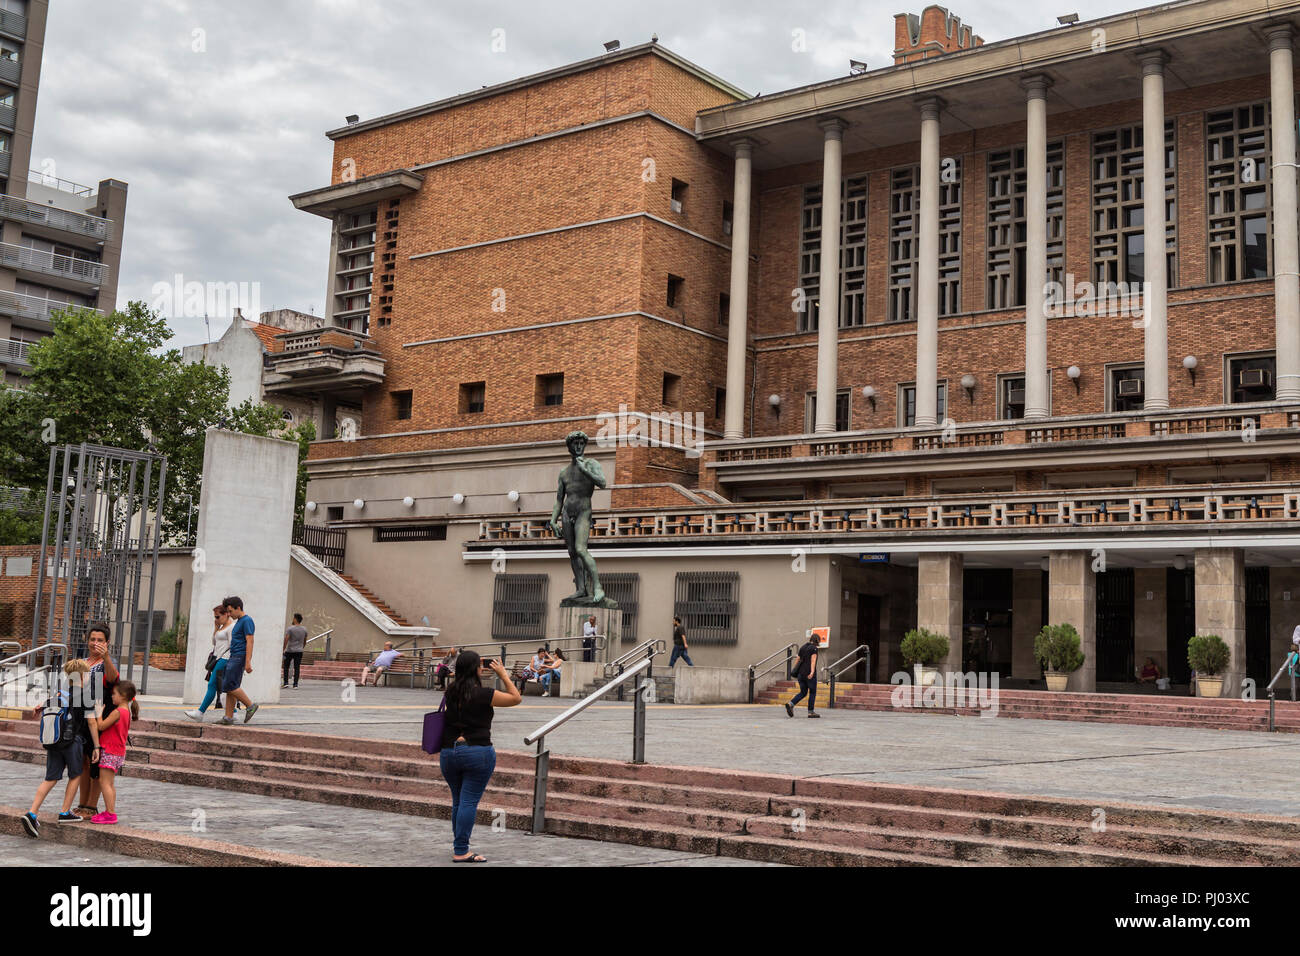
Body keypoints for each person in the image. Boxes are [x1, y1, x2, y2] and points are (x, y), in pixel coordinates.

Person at [438, 650, 521, 862]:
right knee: (468, 802)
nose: (482, 668)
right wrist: (503, 675)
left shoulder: (450, 692)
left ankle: (459, 847)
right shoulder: (485, 695)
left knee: (458, 801)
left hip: (449, 752)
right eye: (480, 665)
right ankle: (461, 851)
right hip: (477, 751)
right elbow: (515, 698)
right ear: (476, 669)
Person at [23, 660, 100, 836]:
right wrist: (97, 746)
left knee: (50, 777)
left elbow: (46, 705)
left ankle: (32, 812)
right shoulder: (86, 695)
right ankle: (65, 812)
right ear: (82, 676)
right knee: (75, 775)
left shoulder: (61, 693)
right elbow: (91, 722)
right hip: (73, 742)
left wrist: (39, 707)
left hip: (54, 741)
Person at [74, 622, 119, 819]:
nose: (95, 643)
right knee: (83, 763)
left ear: (107, 642)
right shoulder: (82, 662)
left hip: (101, 720)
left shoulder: (108, 662)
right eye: (92, 639)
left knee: (96, 764)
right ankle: (82, 804)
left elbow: (112, 680)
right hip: (82, 720)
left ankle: (92, 807)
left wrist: (106, 656)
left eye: (100, 640)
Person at [90, 680, 139, 825]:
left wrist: (98, 713)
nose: (112, 697)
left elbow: (101, 726)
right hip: (118, 751)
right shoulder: (127, 711)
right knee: (109, 783)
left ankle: (110, 814)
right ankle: (109, 810)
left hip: (110, 750)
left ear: (123, 696)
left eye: (114, 694)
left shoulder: (118, 712)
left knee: (104, 782)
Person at [185, 605, 233, 722]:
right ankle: (234, 712)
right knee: (225, 687)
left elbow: (233, 645)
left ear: (226, 614)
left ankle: (200, 712)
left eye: (218, 616)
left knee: (212, 684)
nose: (216, 619)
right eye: (215, 617)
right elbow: (214, 642)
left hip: (225, 659)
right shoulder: (222, 626)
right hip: (217, 658)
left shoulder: (232, 627)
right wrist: (216, 628)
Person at [221, 596, 259, 725]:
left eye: (231, 611)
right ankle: (228, 717)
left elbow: (250, 641)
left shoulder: (247, 621)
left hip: (239, 657)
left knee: (229, 685)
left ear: (238, 608)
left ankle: (250, 705)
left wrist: (248, 661)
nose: (230, 615)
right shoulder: (239, 622)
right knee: (231, 685)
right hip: (234, 656)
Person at [785, 637, 821, 718]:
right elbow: (813, 661)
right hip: (809, 674)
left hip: (800, 674)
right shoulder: (814, 649)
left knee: (803, 692)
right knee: (812, 692)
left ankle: (790, 704)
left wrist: (794, 670)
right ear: (817, 641)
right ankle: (811, 712)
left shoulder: (803, 647)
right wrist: (812, 672)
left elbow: (798, 659)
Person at [282, 613, 308, 689]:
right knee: (297, 667)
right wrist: (302, 647)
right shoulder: (304, 629)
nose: (292, 620)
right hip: (299, 651)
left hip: (289, 650)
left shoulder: (290, 629)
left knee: (286, 667)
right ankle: (295, 684)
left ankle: (286, 683)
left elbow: (286, 639)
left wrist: (283, 649)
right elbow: (305, 640)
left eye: (293, 618)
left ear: (295, 619)